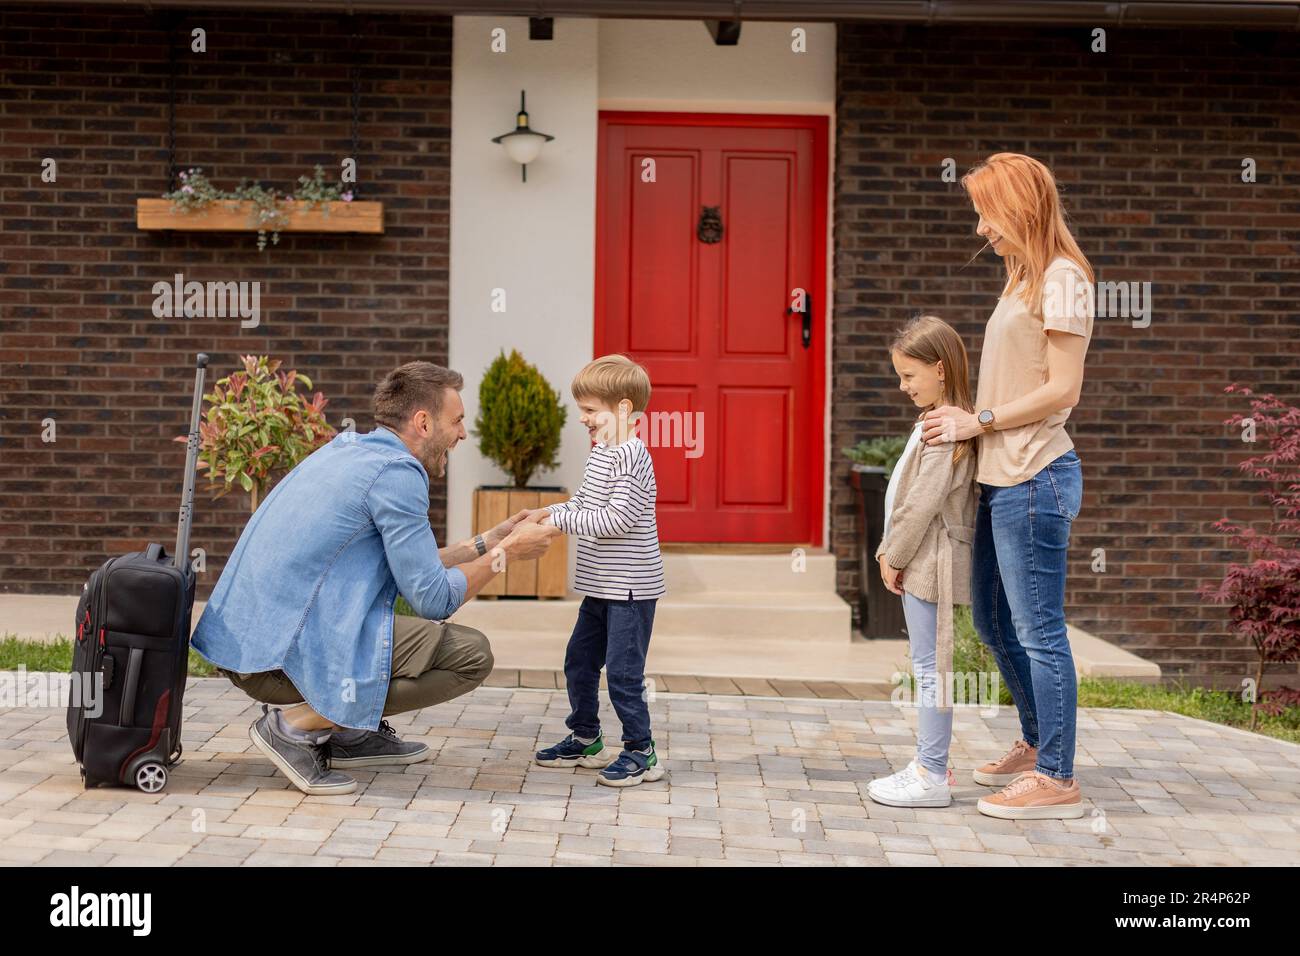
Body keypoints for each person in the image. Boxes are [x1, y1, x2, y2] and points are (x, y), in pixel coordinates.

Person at [191, 361, 560, 795]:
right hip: (276, 656)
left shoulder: (350, 450)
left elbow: (414, 565)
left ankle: (346, 734)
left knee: (387, 633)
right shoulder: (397, 473)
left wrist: (487, 541)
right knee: (470, 655)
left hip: (248, 641)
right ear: (423, 422)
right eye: (457, 420)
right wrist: (507, 554)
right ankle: (294, 726)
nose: (463, 433)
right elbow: (433, 599)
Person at [922, 153, 1095, 820]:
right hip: (1002, 476)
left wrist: (979, 420)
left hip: (1036, 474)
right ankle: (1034, 741)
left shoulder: (1064, 278)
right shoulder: (1021, 279)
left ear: (1018, 208)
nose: (979, 231)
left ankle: (1057, 776)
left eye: (985, 215)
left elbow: (1063, 388)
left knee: (1039, 630)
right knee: (994, 625)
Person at [530, 355, 667, 787]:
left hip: (629, 588)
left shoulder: (632, 455)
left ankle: (641, 751)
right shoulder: (603, 453)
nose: (583, 419)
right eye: (582, 410)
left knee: (624, 672)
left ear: (623, 409)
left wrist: (558, 525)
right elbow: (583, 505)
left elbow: (615, 520)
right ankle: (586, 737)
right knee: (580, 661)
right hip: (600, 586)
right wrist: (546, 512)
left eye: (590, 411)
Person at [867, 315, 977, 809]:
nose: (903, 385)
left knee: (931, 669)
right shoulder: (938, 420)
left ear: (939, 367)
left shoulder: (946, 428)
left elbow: (922, 502)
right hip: (922, 558)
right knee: (928, 666)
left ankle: (932, 773)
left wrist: (892, 553)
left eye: (910, 375)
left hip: (930, 561)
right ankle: (930, 766)